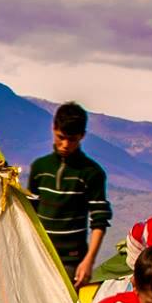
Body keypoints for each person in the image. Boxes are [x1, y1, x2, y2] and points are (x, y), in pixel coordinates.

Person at [28, 101, 113, 287]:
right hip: (37, 254)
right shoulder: (40, 168)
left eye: (72, 139)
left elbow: (99, 220)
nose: (65, 145)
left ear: (82, 136)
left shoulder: (91, 173)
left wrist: (88, 261)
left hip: (72, 261)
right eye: (61, 137)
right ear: (53, 128)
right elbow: (29, 210)